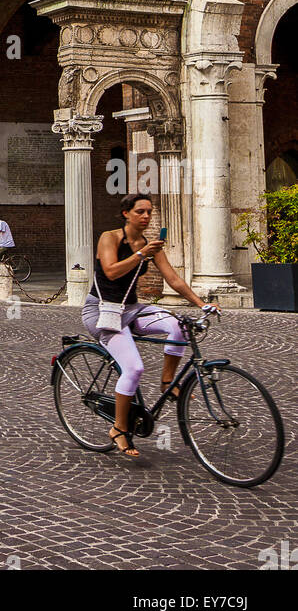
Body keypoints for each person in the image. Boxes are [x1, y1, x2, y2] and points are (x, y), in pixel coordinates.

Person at [82, 194, 211, 458]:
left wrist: (201, 304)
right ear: (126, 214)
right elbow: (111, 272)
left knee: (179, 326)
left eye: (149, 212)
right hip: (103, 311)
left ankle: (167, 381)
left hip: (131, 309)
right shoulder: (110, 237)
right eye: (140, 211)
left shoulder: (150, 245)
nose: (146, 216)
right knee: (134, 368)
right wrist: (141, 254)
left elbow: (174, 279)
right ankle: (118, 428)